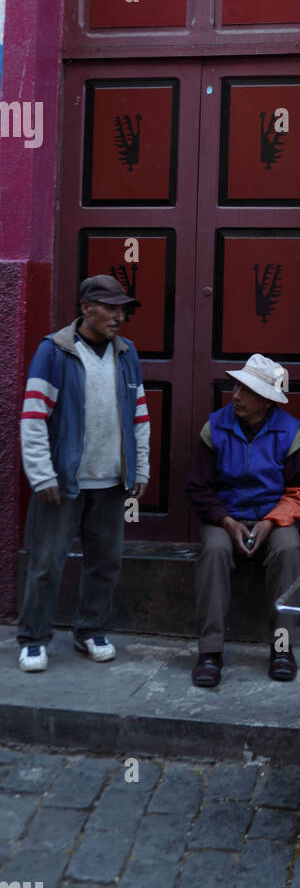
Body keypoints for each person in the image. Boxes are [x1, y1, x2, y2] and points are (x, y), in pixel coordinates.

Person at [17, 275, 150, 671]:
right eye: (111, 308)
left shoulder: (126, 353)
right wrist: (42, 475)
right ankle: (34, 638)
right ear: (86, 307)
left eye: (123, 309)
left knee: (106, 562)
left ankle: (90, 630)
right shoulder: (54, 352)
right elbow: (34, 417)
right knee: (45, 561)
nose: (119, 316)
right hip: (63, 482)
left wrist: (139, 466)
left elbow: (139, 415)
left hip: (111, 481)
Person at [185, 354, 300, 688]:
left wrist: (270, 523)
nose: (236, 396)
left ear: (268, 401)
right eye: (236, 387)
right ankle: (210, 652)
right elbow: (199, 488)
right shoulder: (215, 427)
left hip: (274, 518)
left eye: (247, 390)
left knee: (289, 552)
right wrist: (227, 522)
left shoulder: (290, 432)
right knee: (213, 551)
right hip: (225, 515)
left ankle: (282, 648)